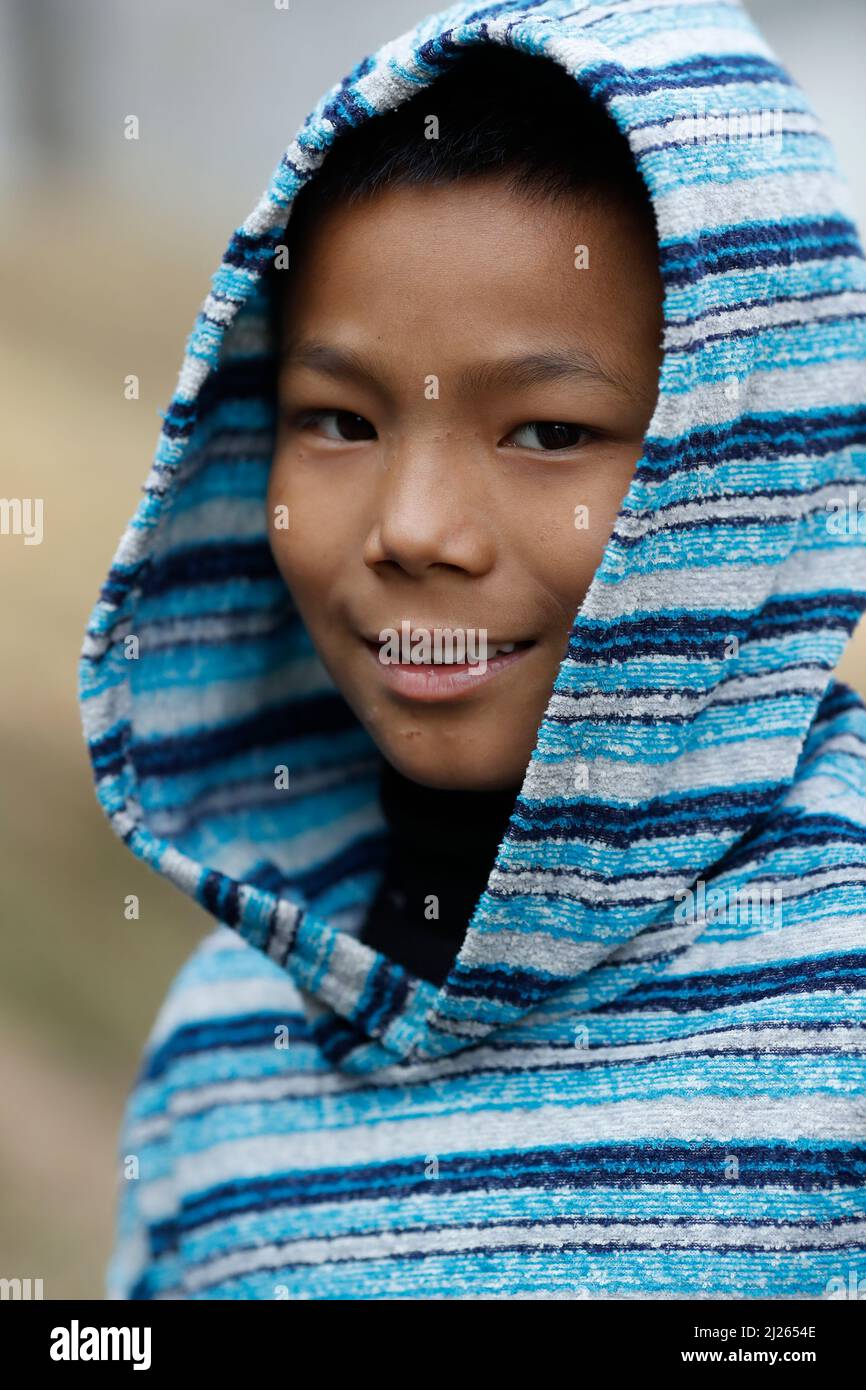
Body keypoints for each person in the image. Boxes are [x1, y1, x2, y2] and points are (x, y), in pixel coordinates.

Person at [80, 0, 866, 1300]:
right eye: (337, 419)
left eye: (547, 433)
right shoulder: (223, 1046)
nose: (412, 529)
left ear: (758, 455)